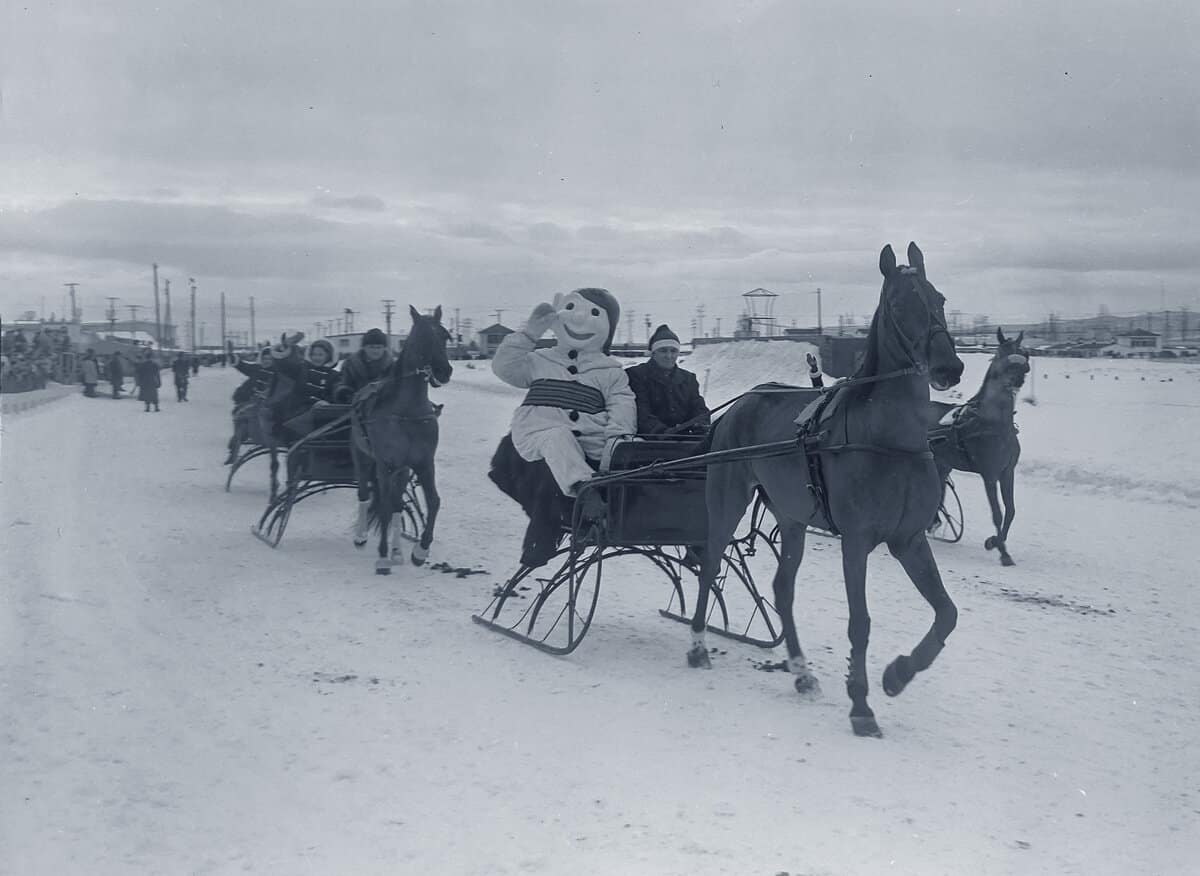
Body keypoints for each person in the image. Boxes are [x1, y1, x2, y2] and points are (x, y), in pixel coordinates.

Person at [489, 288, 636, 567]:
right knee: (556, 437)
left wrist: (616, 445)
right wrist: (530, 334)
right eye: (573, 309)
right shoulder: (540, 360)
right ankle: (585, 493)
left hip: (588, 448)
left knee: (557, 460)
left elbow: (622, 410)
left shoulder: (610, 371)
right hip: (536, 439)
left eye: (595, 315)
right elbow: (504, 367)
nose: (581, 321)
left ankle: (567, 516)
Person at [624, 324, 710, 435]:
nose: (669, 356)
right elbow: (641, 412)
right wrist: (662, 431)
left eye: (673, 351)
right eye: (663, 351)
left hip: (686, 440)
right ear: (653, 353)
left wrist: (700, 424)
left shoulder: (689, 379)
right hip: (648, 442)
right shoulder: (636, 375)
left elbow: (699, 408)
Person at [333, 328, 393, 403]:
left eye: (379, 347)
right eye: (371, 347)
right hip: (355, 405)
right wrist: (344, 393)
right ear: (364, 347)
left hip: (384, 405)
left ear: (384, 348)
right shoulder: (351, 364)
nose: (375, 351)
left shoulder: (392, 366)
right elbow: (342, 382)